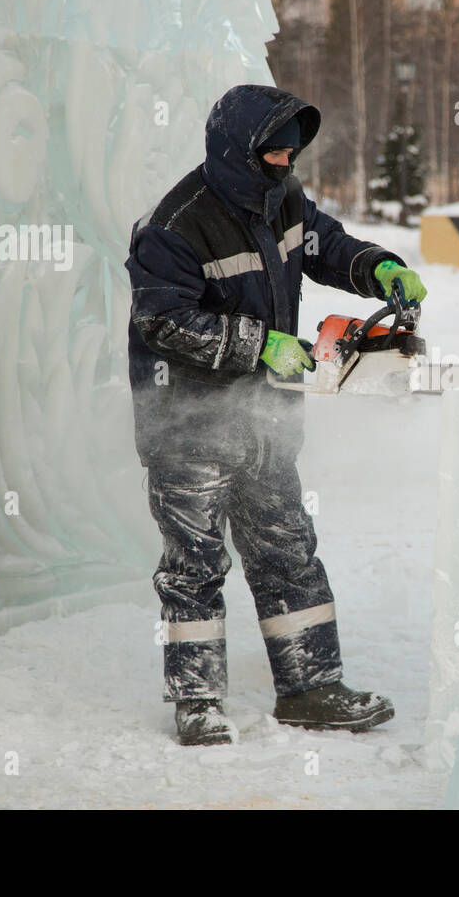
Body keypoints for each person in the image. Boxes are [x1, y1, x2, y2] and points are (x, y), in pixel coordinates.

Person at [124, 85, 428, 745]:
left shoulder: (281, 197)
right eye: (275, 150)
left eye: (293, 150)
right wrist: (259, 344)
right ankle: (198, 700)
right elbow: (163, 321)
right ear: (240, 151)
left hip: (264, 415)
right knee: (195, 565)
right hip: (186, 421)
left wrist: (376, 268)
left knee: (287, 551)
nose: (288, 161)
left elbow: (321, 243)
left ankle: (311, 687)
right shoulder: (174, 227)